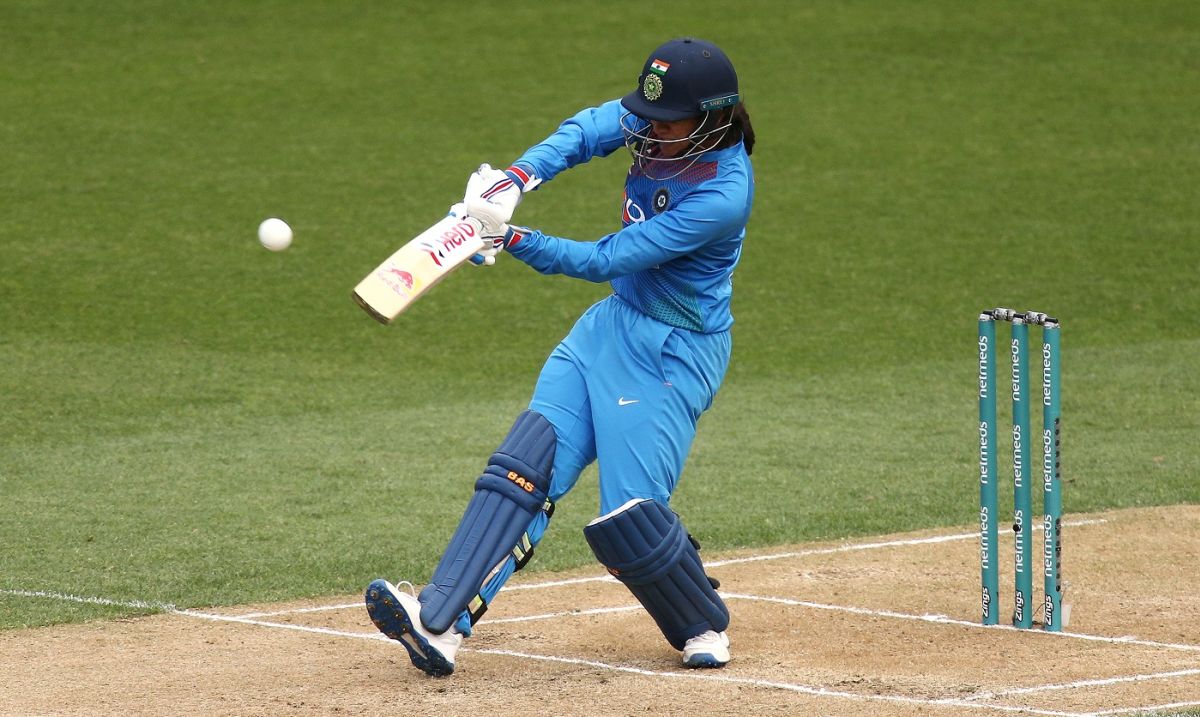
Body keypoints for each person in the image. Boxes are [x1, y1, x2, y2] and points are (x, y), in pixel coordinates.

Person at [365, 37, 755, 676]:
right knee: (522, 468)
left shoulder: (722, 195)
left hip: (672, 352)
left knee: (630, 521)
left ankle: (700, 620)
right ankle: (438, 622)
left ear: (710, 118)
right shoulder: (655, 123)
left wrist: (509, 237)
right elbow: (581, 134)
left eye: (668, 122)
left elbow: (607, 259)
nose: (650, 130)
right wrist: (513, 181)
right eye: (648, 116)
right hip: (606, 329)